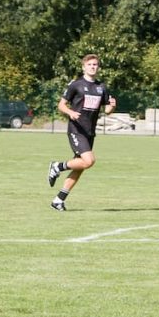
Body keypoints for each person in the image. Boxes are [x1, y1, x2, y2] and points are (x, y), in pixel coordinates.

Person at [46, 54, 116, 211]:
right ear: (84, 67)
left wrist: (112, 106)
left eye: (96, 64)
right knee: (89, 161)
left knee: (80, 167)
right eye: (90, 64)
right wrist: (70, 113)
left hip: (89, 131)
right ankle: (57, 166)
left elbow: (108, 110)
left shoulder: (102, 87)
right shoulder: (76, 85)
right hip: (76, 129)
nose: (93, 66)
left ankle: (58, 200)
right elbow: (61, 105)